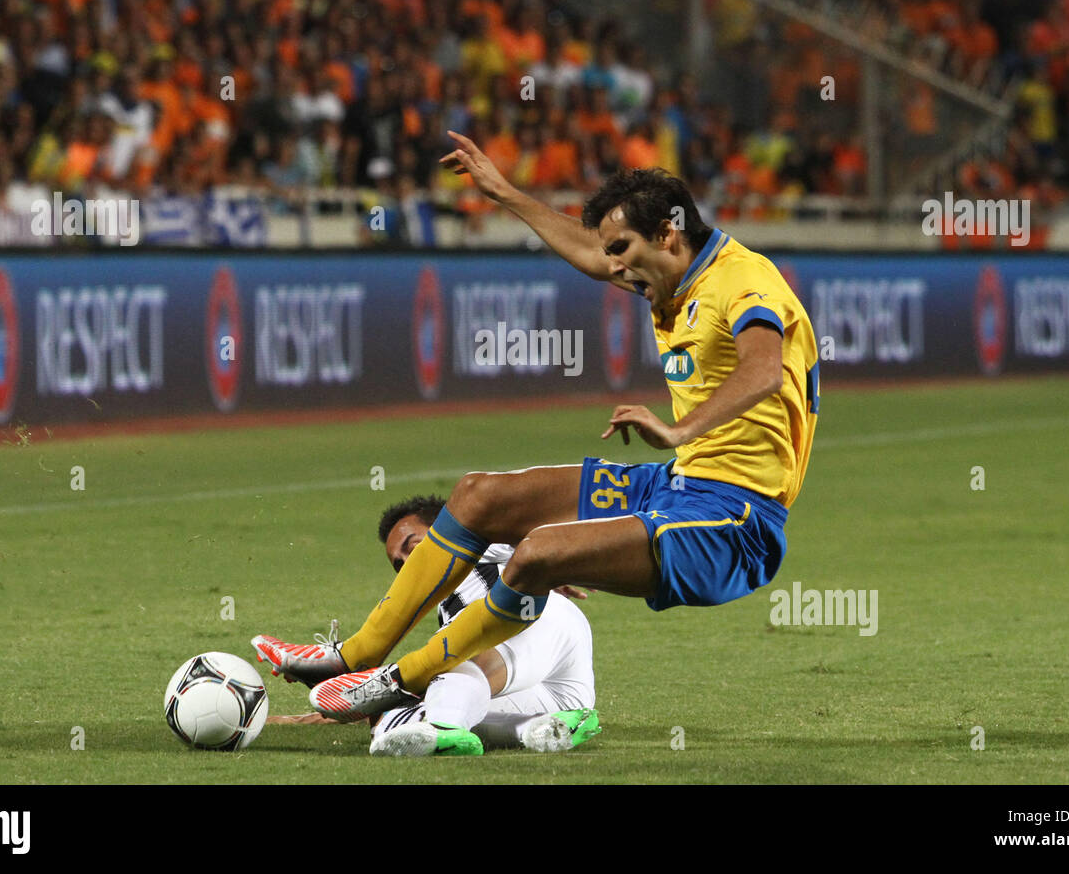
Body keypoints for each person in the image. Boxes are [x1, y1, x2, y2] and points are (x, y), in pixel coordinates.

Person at [257, 130, 819, 722]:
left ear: (668, 233)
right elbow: (590, 254)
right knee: (481, 495)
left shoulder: (741, 281)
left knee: (537, 553)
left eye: (623, 247)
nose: (614, 264)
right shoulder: (671, 273)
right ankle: (354, 653)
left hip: (736, 519)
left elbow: (763, 371)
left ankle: (400, 681)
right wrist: (502, 192)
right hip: (678, 485)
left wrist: (681, 430)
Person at [259, 495, 600, 756]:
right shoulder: (444, 605)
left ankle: (439, 723)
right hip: (560, 697)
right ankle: (533, 731)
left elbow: (541, 526)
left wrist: (556, 562)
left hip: (537, 618)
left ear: (449, 529)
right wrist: (301, 717)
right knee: (416, 709)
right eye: (400, 563)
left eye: (415, 546)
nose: (408, 563)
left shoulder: (480, 540)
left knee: (449, 668)